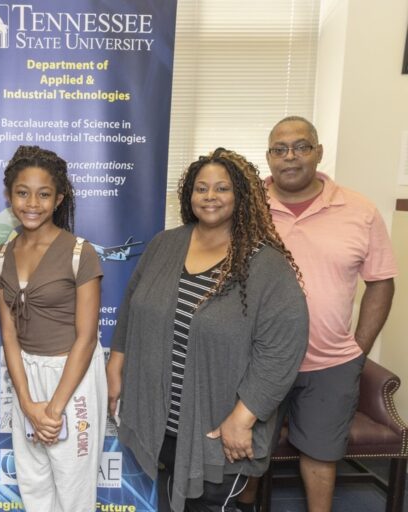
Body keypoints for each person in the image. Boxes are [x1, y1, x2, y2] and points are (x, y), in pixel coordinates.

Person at [106, 148, 309, 512]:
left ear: (241, 196)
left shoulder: (266, 265)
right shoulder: (164, 245)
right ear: (189, 195)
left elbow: (281, 351)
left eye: (222, 188)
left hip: (220, 426)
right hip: (163, 420)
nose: (210, 197)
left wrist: (242, 417)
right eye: (201, 188)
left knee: (210, 504)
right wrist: (116, 366)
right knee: (170, 501)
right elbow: (132, 310)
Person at [236, 116, 397, 512]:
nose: (290, 157)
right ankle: (242, 505)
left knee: (322, 455)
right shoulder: (245, 207)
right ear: (269, 157)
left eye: (301, 147)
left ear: (318, 152)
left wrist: (358, 349)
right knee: (248, 450)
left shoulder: (359, 210)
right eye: (280, 149)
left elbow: (381, 281)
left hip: (330, 363)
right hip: (256, 359)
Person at [0, 145, 106, 512]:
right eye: (22, 193)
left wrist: (53, 411)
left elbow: (86, 338)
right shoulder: (0, 256)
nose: (32, 203)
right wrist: (26, 402)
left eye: (43, 194)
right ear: (9, 196)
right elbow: (8, 333)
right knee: (34, 481)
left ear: (59, 199)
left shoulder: (80, 253)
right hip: (24, 372)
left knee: (73, 487)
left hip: (73, 377)